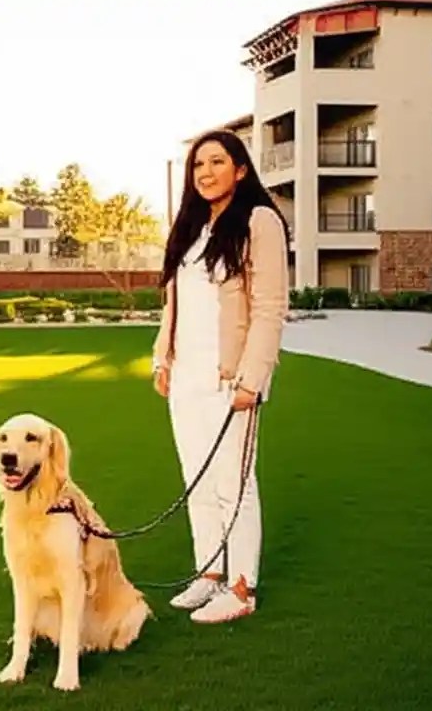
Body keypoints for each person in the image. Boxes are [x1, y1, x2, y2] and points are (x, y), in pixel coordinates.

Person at [151, 129, 290, 624]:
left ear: (241, 169)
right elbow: (173, 303)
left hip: (231, 379)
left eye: (217, 162)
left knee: (235, 482)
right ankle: (208, 575)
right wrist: (161, 359)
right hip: (185, 377)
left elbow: (270, 308)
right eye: (198, 165)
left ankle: (241, 588)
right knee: (198, 481)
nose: (205, 173)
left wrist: (252, 380)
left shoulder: (259, 221)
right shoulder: (190, 227)